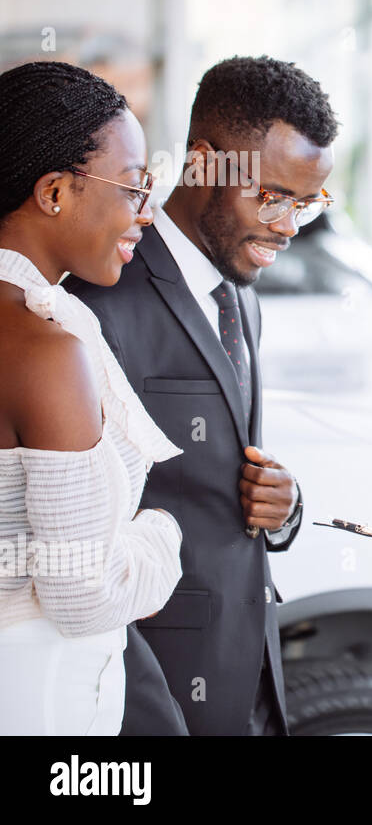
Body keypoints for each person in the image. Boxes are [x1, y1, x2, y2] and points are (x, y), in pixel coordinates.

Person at [64, 55, 338, 735]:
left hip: (249, 679)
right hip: (151, 694)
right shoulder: (98, 294)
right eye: (273, 196)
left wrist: (285, 509)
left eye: (305, 204)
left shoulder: (238, 296)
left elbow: (222, 473)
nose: (287, 225)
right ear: (205, 162)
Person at [0, 60, 184, 734]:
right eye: (134, 189)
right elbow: (82, 595)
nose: (147, 213)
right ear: (54, 192)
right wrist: (162, 537)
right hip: (36, 698)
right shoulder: (44, 353)